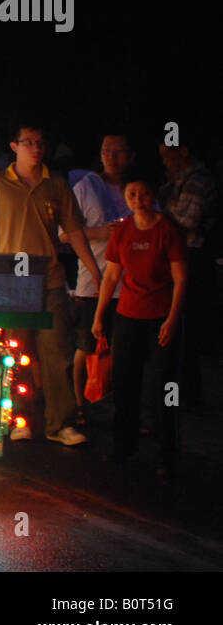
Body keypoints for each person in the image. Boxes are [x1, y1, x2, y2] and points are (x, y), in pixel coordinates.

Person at [0, 123, 101, 447]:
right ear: (14, 146)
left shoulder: (57, 185)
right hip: (12, 281)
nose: (36, 148)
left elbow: (75, 231)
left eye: (40, 142)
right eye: (28, 143)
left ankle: (61, 423)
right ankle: (20, 419)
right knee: (16, 352)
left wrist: (93, 268)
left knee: (58, 352)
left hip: (49, 278)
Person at [92, 174, 187, 477]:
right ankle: (123, 446)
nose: (138, 200)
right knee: (124, 384)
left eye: (143, 194)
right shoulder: (122, 231)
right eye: (132, 194)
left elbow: (180, 279)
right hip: (128, 315)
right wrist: (99, 314)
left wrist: (172, 318)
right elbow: (111, 276)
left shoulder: (168, 230)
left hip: (159, 317)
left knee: (163, 386)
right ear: (126, 197)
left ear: (153, 195)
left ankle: (166, 453)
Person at [68, 134, 133, 424]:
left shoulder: (137, 191)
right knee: (86, 345)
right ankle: (79, 404)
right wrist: (99, 234)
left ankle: (121, 407)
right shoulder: (87, 187)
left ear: (130, 156)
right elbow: (64, 233)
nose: (111, 156)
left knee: (123, 349)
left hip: (130, 284)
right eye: (106, 150)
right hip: (92, 280)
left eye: (117, 151)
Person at [158, 131, 217, 408]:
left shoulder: (196, 182)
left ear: (183, 152)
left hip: (193, 256)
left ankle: (187, 392)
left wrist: (161, 214)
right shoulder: (177, 181)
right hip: (182, 255)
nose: (165, 161)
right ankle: (180, 389)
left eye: (169, 155)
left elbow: (187, 220)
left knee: (186, 324)